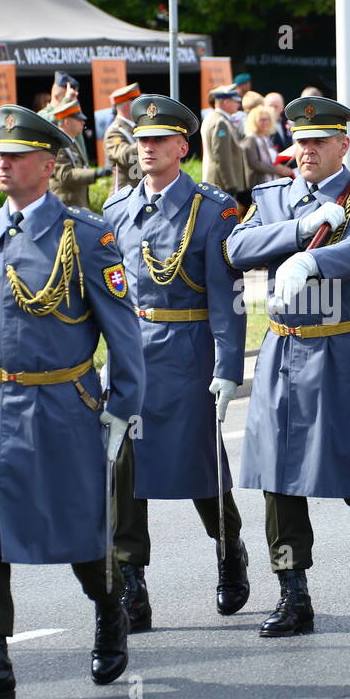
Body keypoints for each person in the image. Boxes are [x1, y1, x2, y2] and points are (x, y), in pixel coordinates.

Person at [0, 105, 145, 699]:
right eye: (0, 155)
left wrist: (120, 410)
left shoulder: (85, 237)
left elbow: (123, 335)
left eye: (16, 156)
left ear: (48, 164)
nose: (3, 164)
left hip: (62, 403)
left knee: (76, 527)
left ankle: (109, 607)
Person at [226, 95, 350, 636]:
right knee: (278, 473)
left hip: (344, 347)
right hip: (285, 349)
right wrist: (300, 231)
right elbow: (237, 247)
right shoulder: (274, 196)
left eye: (318, 142)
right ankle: (293, 591)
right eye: (300, 141)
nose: (306, 151)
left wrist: (315, 258)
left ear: (343, 146)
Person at [102, 94, 250, 628]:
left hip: (187, 355)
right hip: (129, 358)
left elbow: (224, 298)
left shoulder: (213, 210)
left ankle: (229, 549)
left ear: (181, 148)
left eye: (158, 140)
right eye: (141, 141)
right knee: (122, 470)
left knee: (198, 469)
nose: (146, 149)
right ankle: (131, 583)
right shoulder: (116, 210)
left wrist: (228, 368)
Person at [48, 96, 107, 210]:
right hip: (64, 209)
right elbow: (65, 175)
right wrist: (96, 173)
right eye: (78, 119)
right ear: (66, 122)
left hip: (75, 206)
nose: (83, 122)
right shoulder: (58, 145)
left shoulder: (71, 142)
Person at [201, 84, 249, 208]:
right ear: (226, 102)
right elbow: (221, 156)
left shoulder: (214, 118)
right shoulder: (220, 122)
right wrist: (230, 185)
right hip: (221, 183)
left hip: (219, 181)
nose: (238, 104)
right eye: (235, 101)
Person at [104, 82, 142, 196]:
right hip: (124, 196)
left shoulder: (136, 127)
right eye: (137, 102)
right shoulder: (114, 131)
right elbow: (124, 155)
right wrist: (147, 141)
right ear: (128, 105)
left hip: (138, 192)